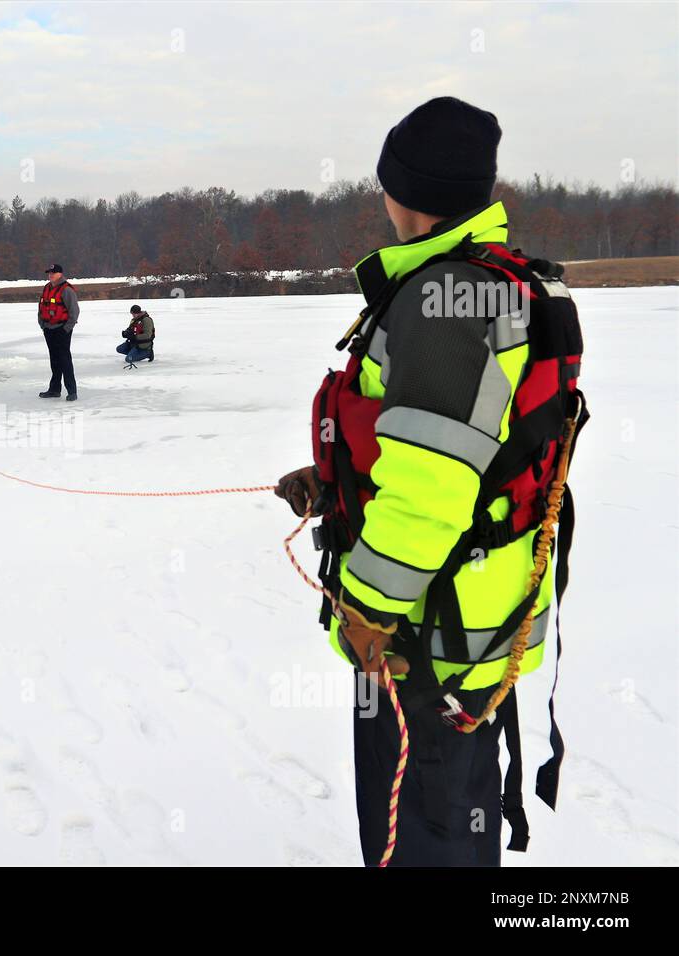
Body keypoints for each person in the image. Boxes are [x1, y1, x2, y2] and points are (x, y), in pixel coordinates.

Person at [274, 97, 586, 867]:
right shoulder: (490, 285)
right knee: (451, 821)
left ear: (404, 193)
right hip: (473, 626)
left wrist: (371, 611)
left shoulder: (446, 302)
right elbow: (464, 451)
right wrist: (332, 478)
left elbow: (432, 490)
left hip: (419, 643)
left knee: (421, 839)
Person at [37, 263, 79, 401]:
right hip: (49, 329)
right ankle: (54, 389)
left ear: (60, 274)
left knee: (65, 360)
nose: (50, 275)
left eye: (53, 273)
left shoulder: (67, 290)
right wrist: (43, 325)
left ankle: (72, 391)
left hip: (62, 329)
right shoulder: (47, 288)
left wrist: (66, 329)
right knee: (54, 360)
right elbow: (41, 307)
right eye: (49, 273)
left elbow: (74, 312)